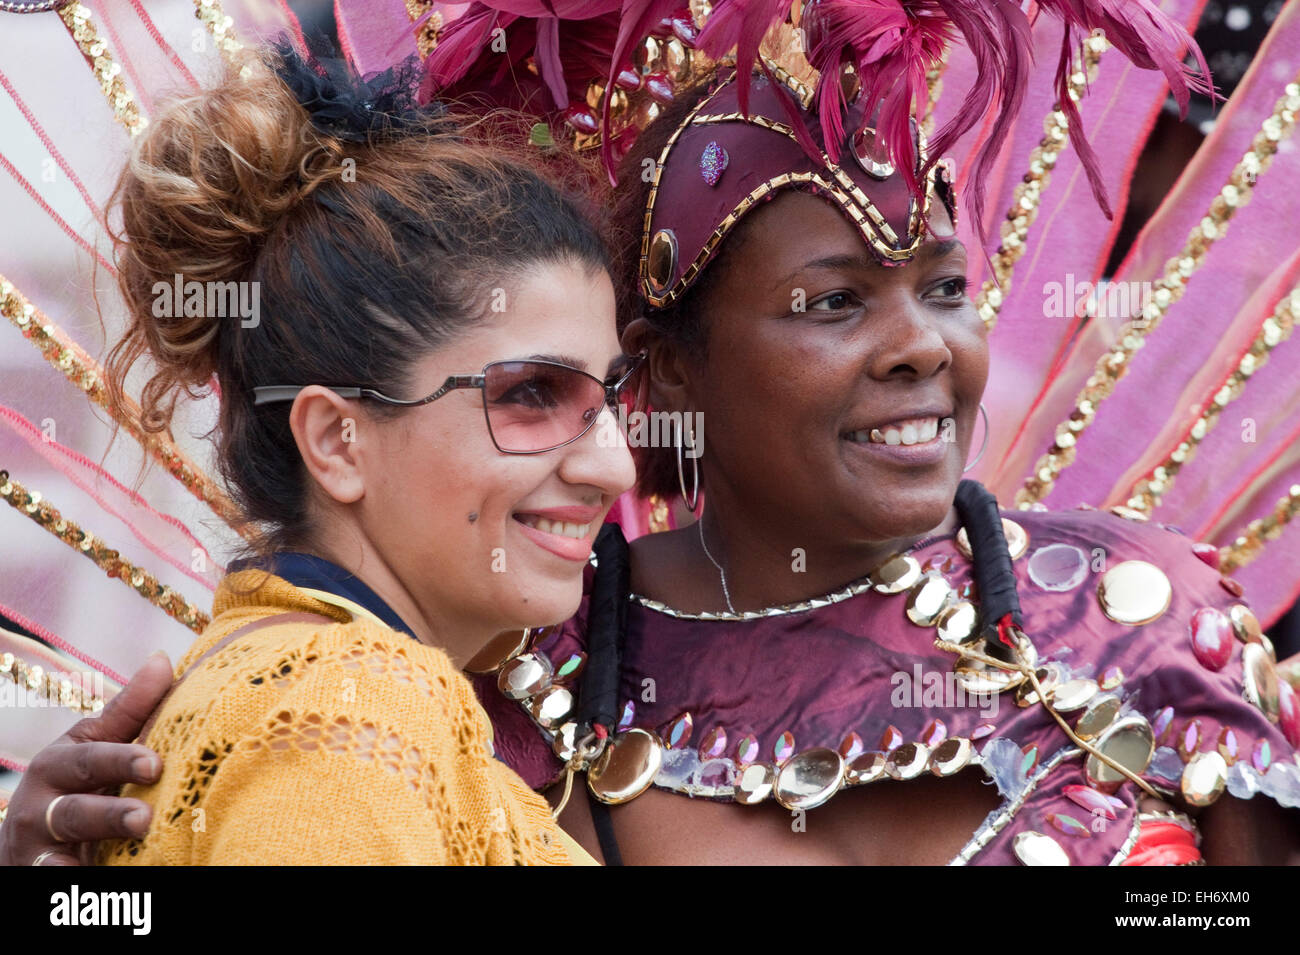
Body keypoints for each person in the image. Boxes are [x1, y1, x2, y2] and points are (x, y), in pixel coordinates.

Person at [5, 1, 1300, 867]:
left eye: (947, 288)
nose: (923, 346)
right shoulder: (482, 691)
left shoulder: (1136, 624)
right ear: (669, 362)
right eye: (832, 301)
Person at [2, 40, 643, 865]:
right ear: (338, 441)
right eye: (529, 396)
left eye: (608, 399)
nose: (614, 466)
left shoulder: (305, 688)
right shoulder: (352, 708)